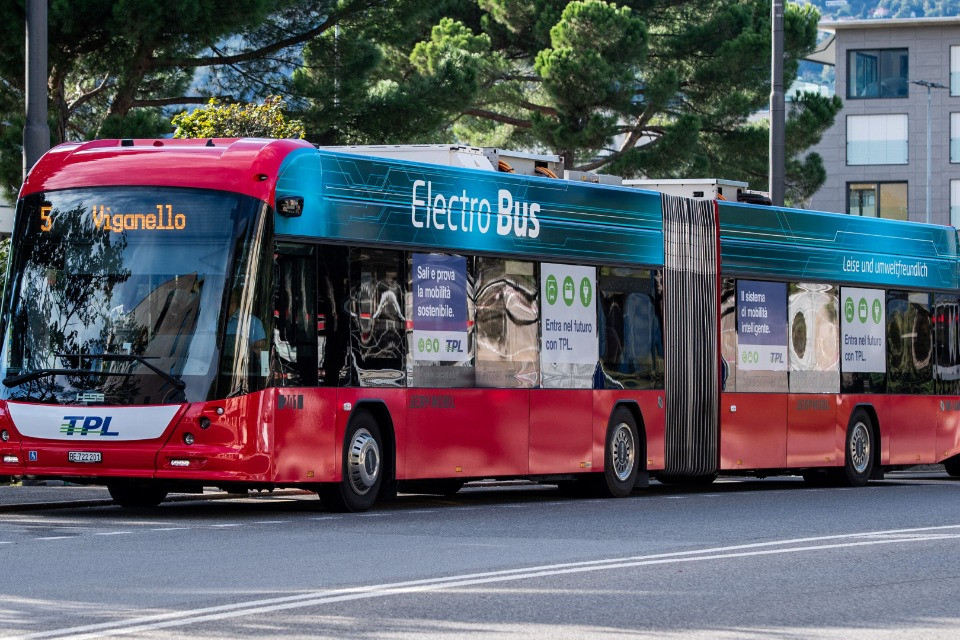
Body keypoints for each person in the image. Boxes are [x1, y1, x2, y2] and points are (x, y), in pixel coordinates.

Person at [224, 288, 266, 376]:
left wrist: (265, 373)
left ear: (236, 301)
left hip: (243, 375)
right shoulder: (212, 322)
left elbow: (262, 353)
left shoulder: (253, 322)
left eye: (231, 301)